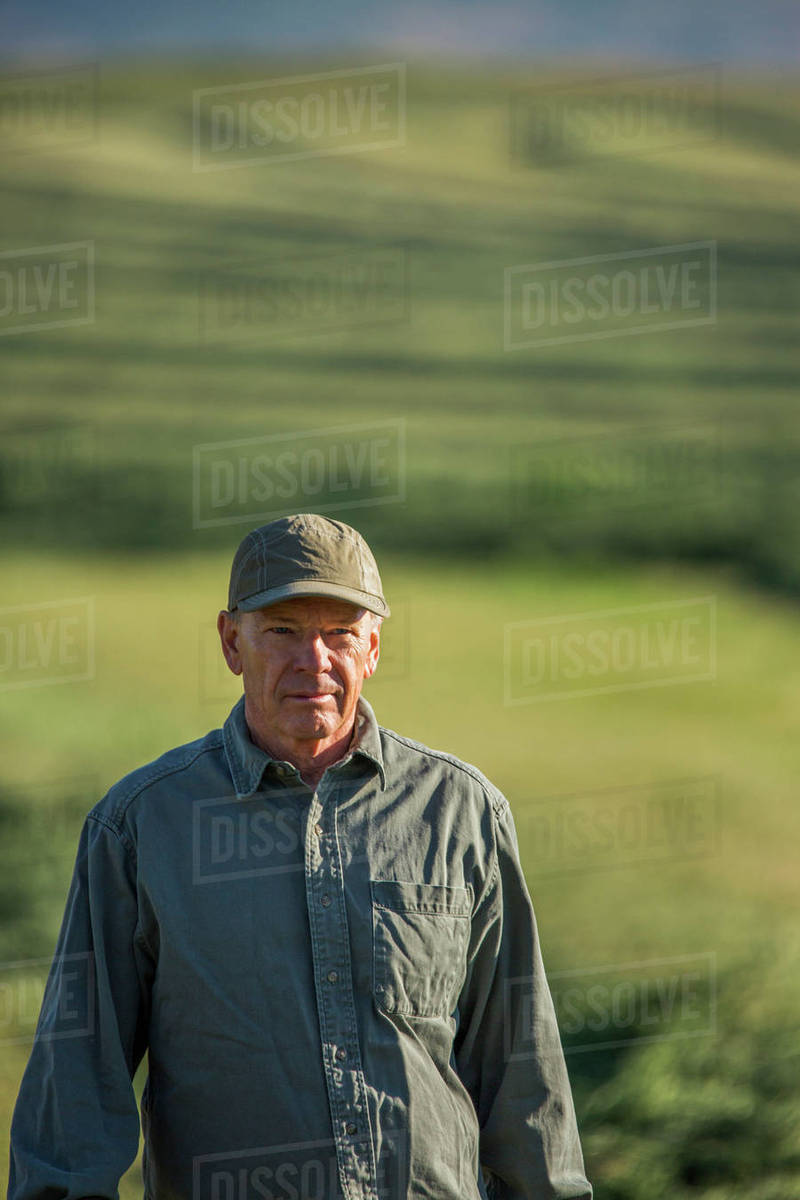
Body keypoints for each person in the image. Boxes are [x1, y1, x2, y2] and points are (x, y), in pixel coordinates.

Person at [9, 512, 592, 1200]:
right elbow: (75, 1088)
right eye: (283, 630)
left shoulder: (463, 813)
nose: (313, 660)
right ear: (232, 642)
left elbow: (523, 1076)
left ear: (373, 648)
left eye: (340, 632)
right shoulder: (141, 826)